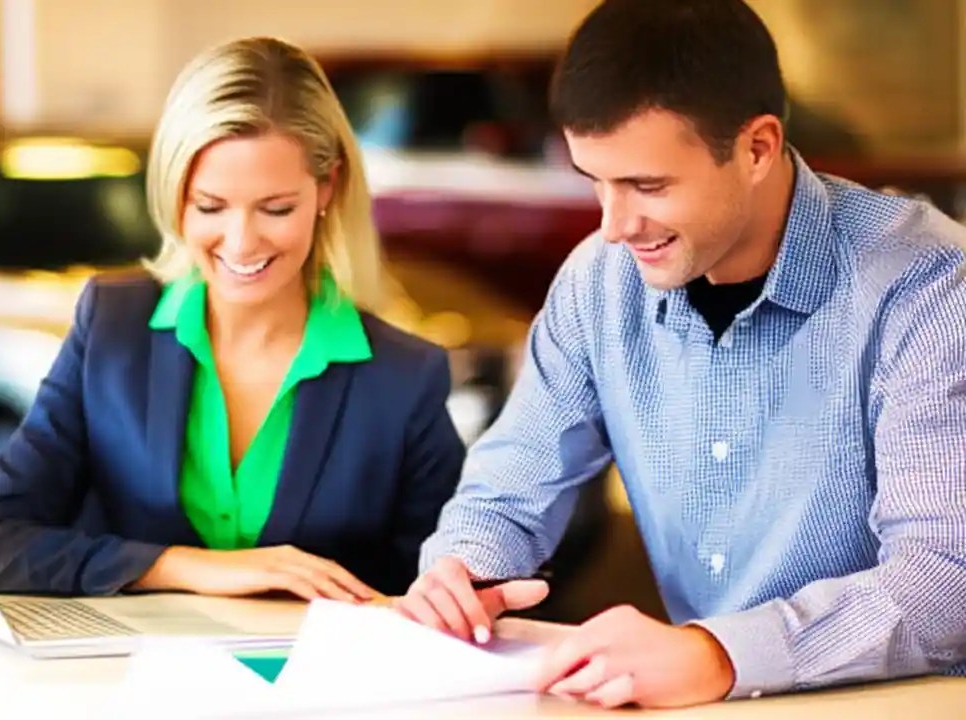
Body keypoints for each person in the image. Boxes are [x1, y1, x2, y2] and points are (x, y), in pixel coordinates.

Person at [397, 0, 966, 709]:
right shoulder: (598, 282)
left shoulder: (927, 285)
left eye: (648, 186)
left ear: (757, 148)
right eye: (595, 180)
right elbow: (511, 488)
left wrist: (718, 653)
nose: (613, 226)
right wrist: (463, 568)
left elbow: (946, 581)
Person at [0, 36, 465, 601]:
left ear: (328, 187)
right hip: (130, 681)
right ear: (175, 195)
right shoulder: (112, 329)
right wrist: (184, 567)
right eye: (210, 206)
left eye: (276, 209)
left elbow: (440, 585)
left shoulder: (404, 377)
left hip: (315, 686)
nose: (242, 243)